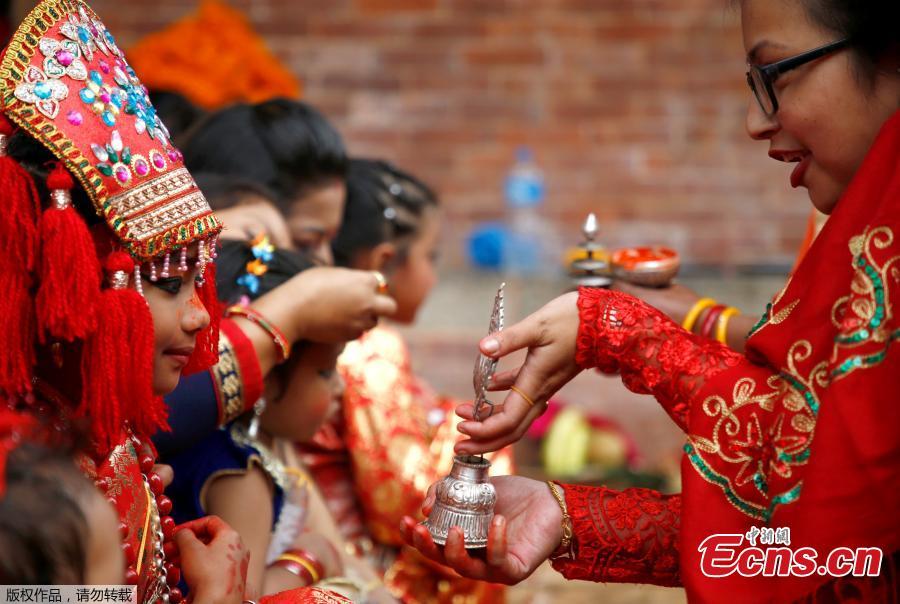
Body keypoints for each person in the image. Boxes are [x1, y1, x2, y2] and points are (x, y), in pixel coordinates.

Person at [402, 1, 900, 602]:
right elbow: (833, 536)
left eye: (774, 76)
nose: (754, 121)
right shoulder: (860, 226)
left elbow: (806, 460)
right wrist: (570, 520)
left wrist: (617, 329)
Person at [0, 2, 348, 602]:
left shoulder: (107, 445)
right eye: (167, 283)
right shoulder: (30, 493)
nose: (200, 316)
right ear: (76, 287)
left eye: (199, 284)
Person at [300, 159, 513, 603]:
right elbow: (402, 500)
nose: (434, 275)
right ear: (384, 263)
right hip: (355, 563)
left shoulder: (330, 337)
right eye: (431, 256)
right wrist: (486, 447)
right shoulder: (369, 346)